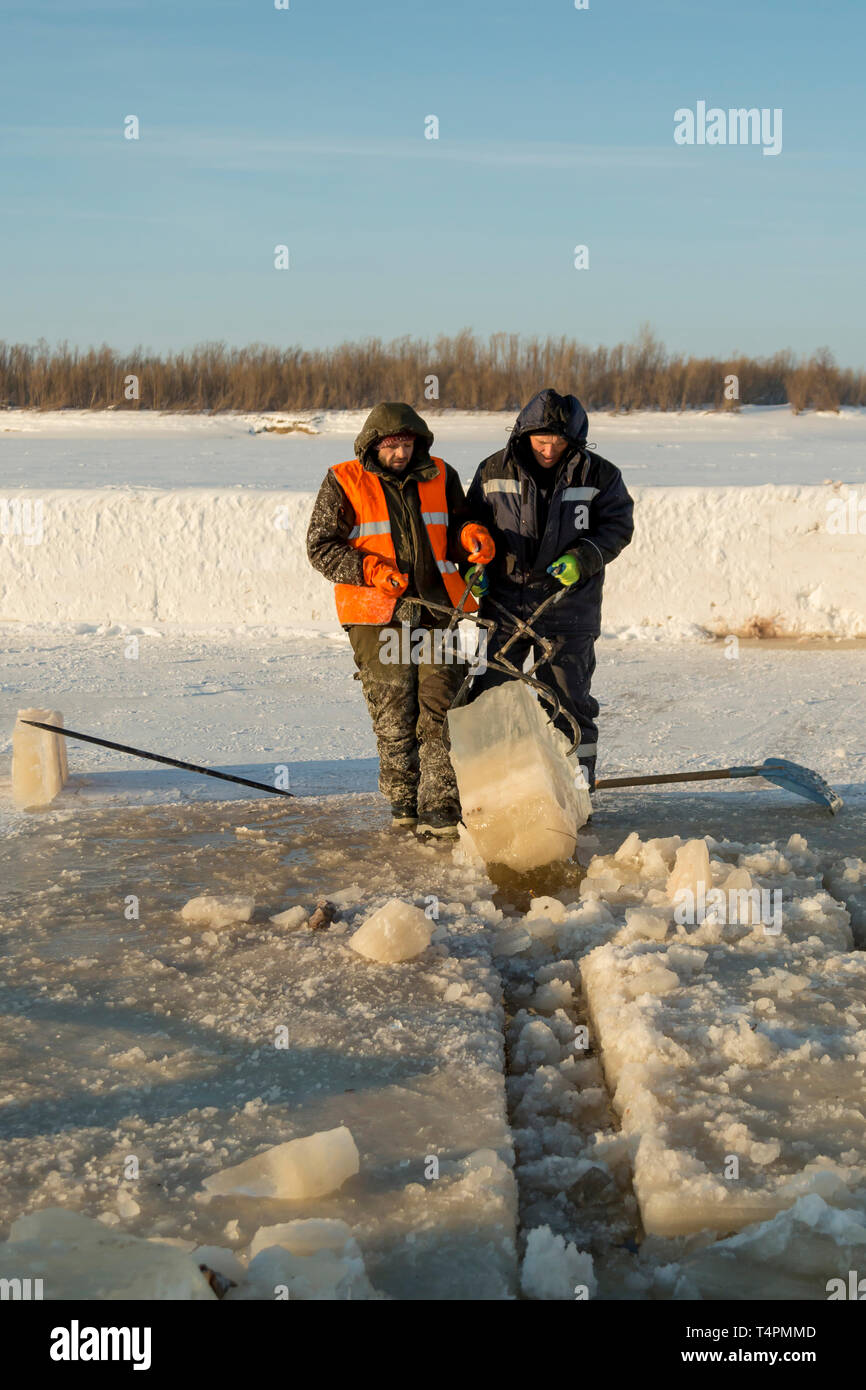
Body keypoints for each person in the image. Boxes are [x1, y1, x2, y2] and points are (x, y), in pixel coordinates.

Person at [306, 402, 495, 837]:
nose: (401, 454)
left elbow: (459, 523)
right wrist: (371, 571)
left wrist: (472, 539)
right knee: (395, 716)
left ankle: (444, 809)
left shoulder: (441, 475)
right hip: (378, 617)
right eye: (392, 447)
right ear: (373, 445)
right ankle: (404, 808)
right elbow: (320, 546)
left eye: (407, 445)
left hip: (435, 612)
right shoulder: (343, 480)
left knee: (443, 709)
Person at [464, 387, 634, 796]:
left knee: (567, 699)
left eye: (558, 441)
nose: (548, 448)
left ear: (574, 441)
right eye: (541, 440)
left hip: (568, 605)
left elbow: (617, 527)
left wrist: (585, 556)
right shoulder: (492, 470)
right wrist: (474, 560)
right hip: (504, 603)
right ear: (524, 435)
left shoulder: (600, 475)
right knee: (489, 695)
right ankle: (490, 790)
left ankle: (574, 792)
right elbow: (470, 522)